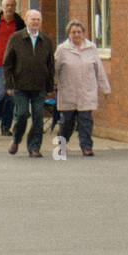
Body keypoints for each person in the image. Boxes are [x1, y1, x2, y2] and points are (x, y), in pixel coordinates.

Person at [54, 19, 111, 156]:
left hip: (87, 91)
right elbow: (55, 70)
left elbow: (99, 70)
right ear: (69, 34)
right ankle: (60, 146)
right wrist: (52, 86)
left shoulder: (91, 48)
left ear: (84, 33)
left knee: (86, 122)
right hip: (68, 91)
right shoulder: (62, 50)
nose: (76, 35)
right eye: (73, 32)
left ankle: (86, 147)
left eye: (79, 32)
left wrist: (105, 88)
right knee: (67, 122)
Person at [2, 9, 55, 158]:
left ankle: (34, 147)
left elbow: (51, 65)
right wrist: (8, 84)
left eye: (38, 19)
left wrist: (50, 86)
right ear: (26, 20)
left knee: (38, 117)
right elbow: (7, 64)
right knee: (22, 114)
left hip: (39, 86)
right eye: (33, 19)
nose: (35, 22)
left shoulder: (46, 41)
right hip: (20, 86)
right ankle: (16, 139)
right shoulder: (16, 38)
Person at [0, 0, 24, 136]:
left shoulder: (20, 24)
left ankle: (6, 126)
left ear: (15, 7)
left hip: (15, 64)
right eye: (7, 5)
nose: (9, 8)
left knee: (11, 96)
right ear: (2, 7)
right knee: (2, 92)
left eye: (12, 5)